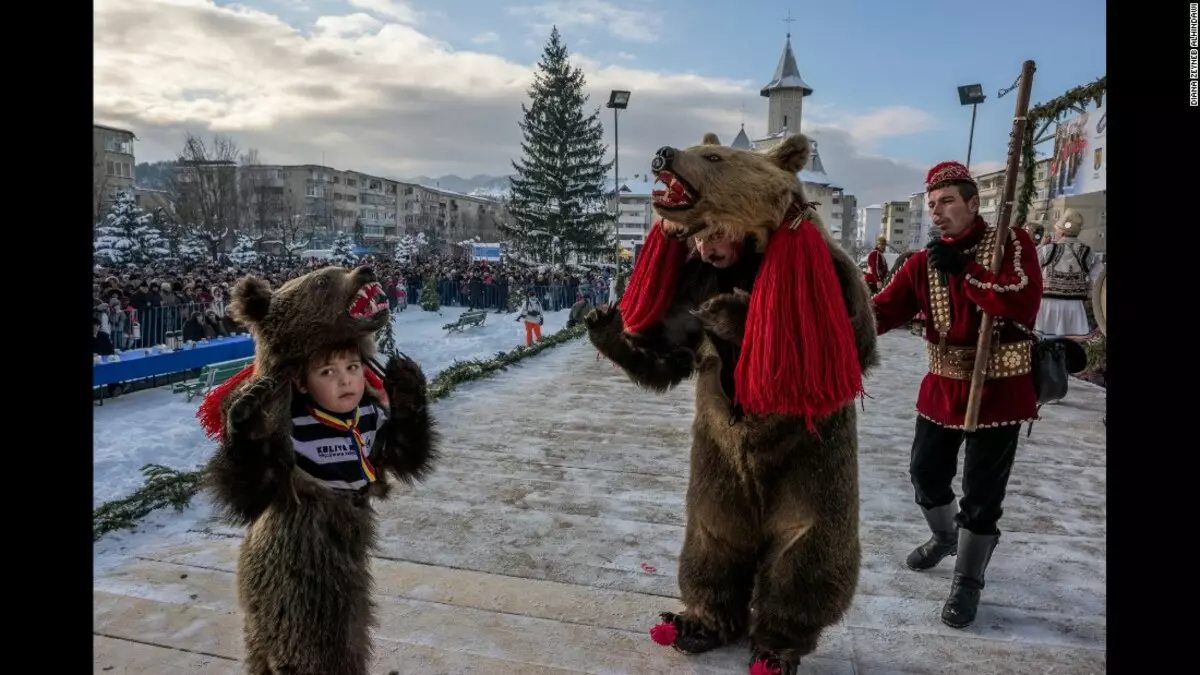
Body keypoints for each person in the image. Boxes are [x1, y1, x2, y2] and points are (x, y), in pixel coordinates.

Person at [870, 160, 1044, 629]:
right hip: (942, 386)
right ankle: (945, 537)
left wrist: (967, 271)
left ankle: (968, 581)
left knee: (984, 495)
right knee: (925, 474)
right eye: (931, 204)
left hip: (1000, 388)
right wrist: (831, 330)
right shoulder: (922, 261)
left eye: (947, 201)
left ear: (973, 202)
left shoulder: (1011, 242)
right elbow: (881, 311)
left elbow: (1023, 300)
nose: (937, 212)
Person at [1034, 209, 1103, 338]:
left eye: (1057, 230)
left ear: (1063, 232)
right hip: (1075, 308)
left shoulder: (1047, 250)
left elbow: (1031, 270)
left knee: (1045, 346)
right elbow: (1099, 279)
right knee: (1072, 346)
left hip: (1047, 307)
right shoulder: (1088, 253)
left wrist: (1041, 246)